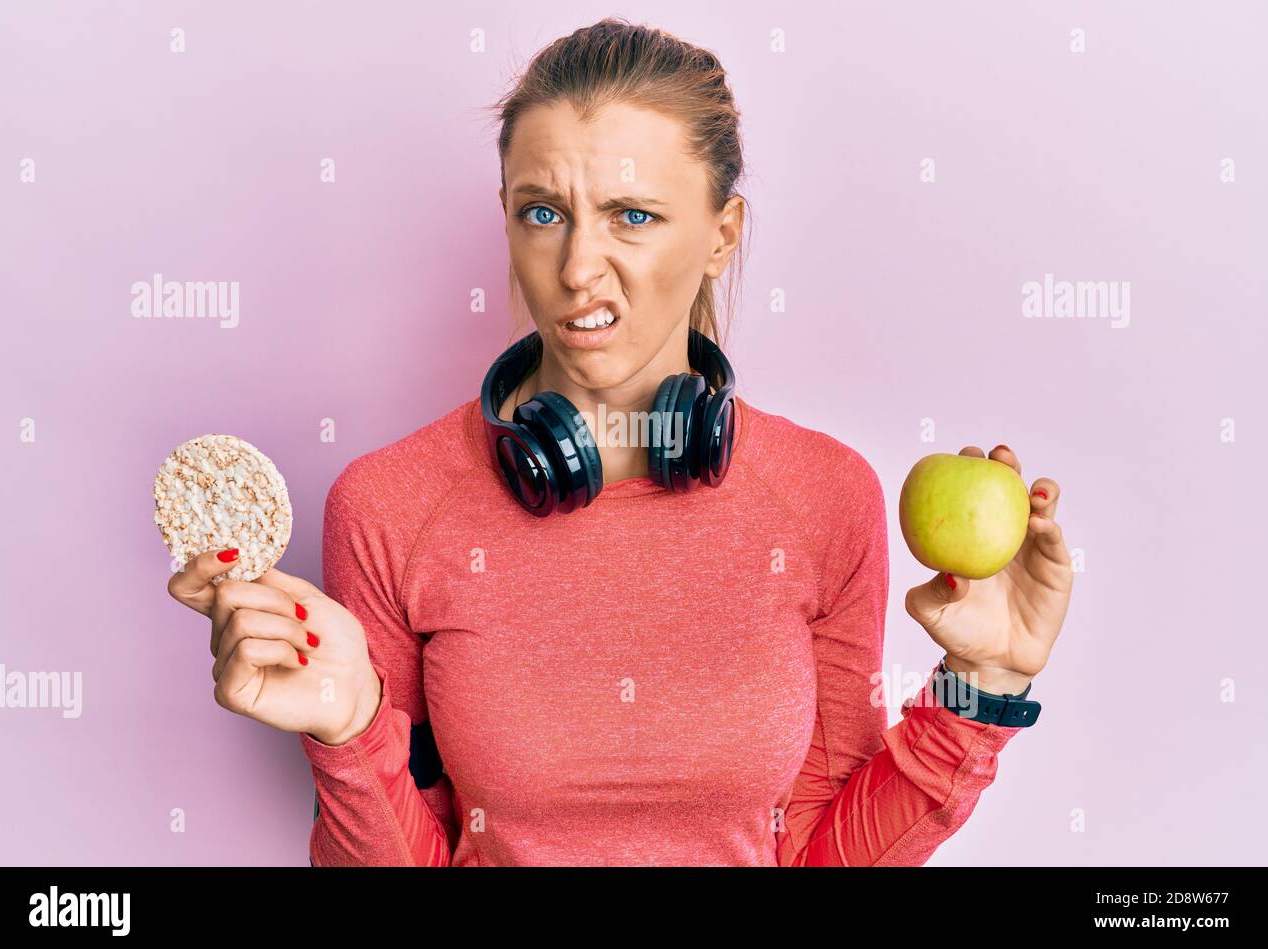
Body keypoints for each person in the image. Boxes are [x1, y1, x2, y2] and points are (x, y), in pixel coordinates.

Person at [167, 17, 1073, 866]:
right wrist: (350, 729)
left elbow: (824, 851)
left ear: (722, 236)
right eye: (542, 212)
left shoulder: (827, 495)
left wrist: (981, 682)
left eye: (632, 215)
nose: (575, 269)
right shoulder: (390, 505)